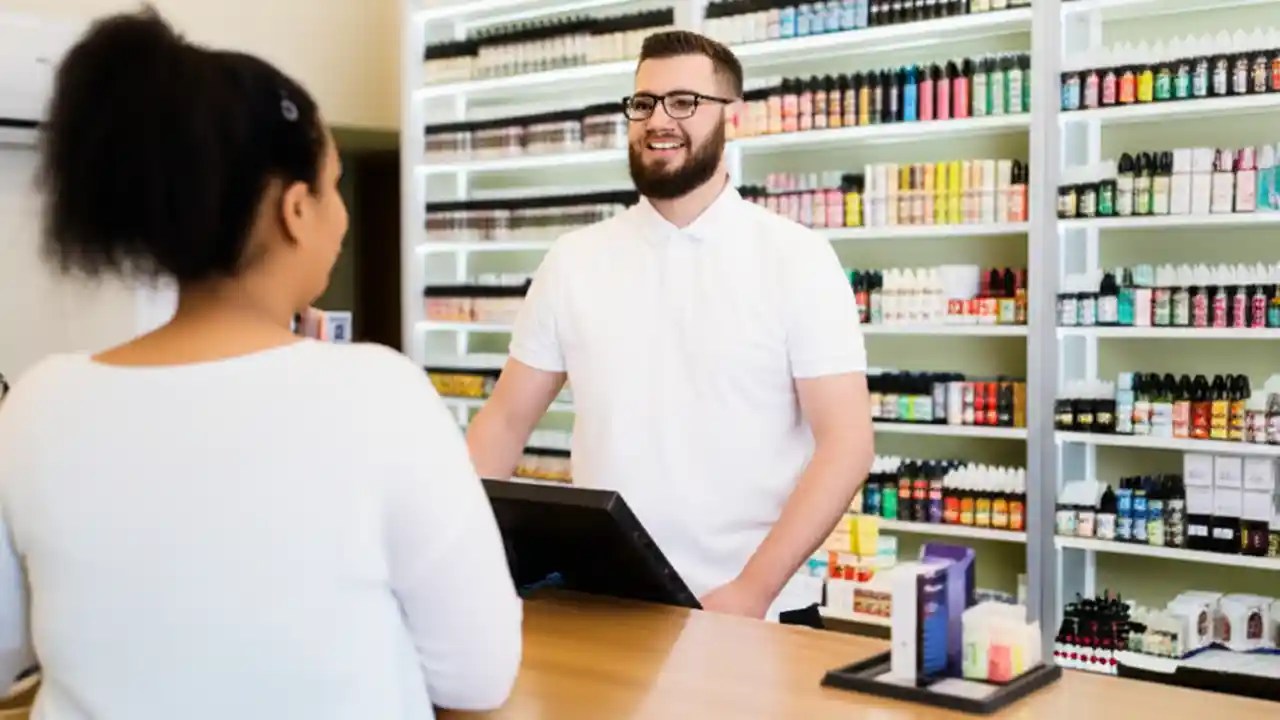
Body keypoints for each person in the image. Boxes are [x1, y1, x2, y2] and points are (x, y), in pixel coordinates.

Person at [0, 10, 521, 718]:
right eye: (334, 186)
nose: (341, 216)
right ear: (296, 209)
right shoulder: (375, 393)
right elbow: (478, 675)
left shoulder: (36, 404)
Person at [467, 30, 873, 621]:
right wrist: (452, 553)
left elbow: (847, 444)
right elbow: (503, 423)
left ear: (730, 117)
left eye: (684, 102)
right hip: (604, 605)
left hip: (756, 612)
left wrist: (751, 591)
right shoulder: (574, 260)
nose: (659, 119)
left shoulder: (797, 258)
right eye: (644, 103)